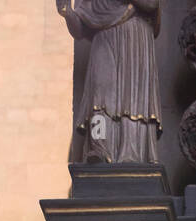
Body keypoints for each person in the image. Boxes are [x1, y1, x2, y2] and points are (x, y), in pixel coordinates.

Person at [58, 0, 162, 164]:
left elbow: (151, 4)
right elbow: (79, 28)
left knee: (131, 100)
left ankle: (132, 153)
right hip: (104, 40)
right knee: (99, 96)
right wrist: (67, 13)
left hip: (134, 39)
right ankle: (99, 147)